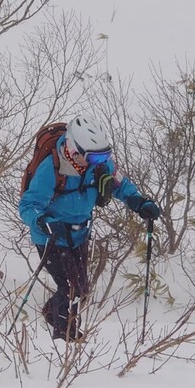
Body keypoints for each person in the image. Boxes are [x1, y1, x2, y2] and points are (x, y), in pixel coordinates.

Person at [18, 113, 161, 341]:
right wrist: (43, 222)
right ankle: (67, 338)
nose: (100, 161)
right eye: (94, 157)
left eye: (104, 156)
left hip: (80, 233)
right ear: (74, 150)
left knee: (82, 289)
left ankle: (51, 313)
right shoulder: (50, 170)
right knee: (71, 288)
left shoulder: (99, 164)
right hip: (52, 238)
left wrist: (138, 202)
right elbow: (27, 205)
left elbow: (118, 183)